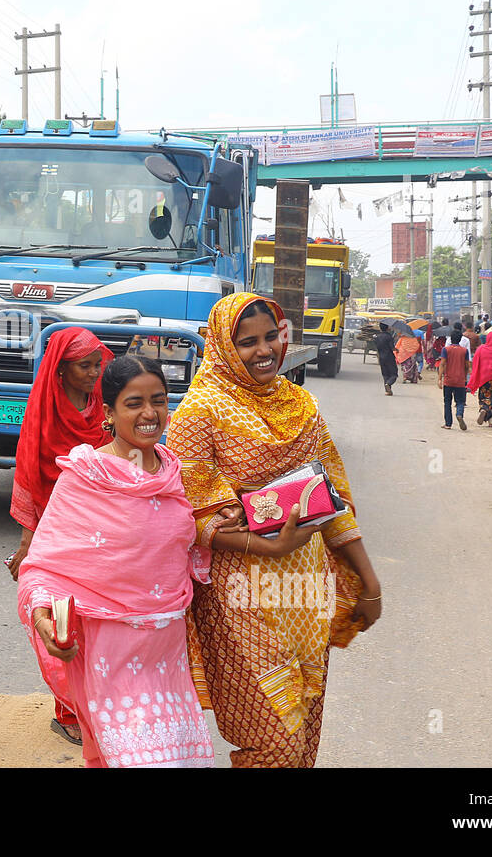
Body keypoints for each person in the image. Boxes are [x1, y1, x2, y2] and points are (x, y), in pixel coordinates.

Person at [166, 293, 382, 767]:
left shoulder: (301, 403)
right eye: (248, 342)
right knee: (274, 745)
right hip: (238, 594)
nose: (264, 351)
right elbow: (189, 517)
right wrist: (268, 544)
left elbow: (332, 499)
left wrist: (369, 582)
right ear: (224, 347)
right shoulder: (200, 412)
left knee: (303, 739)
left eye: (271, 337)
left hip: (306, 589)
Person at [18, 356, 214, 768]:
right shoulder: (87, 476)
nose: (149, 413)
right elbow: (45, 565)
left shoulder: (174, 471)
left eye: (158, 400)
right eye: (134, 403)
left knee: (171, 757)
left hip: (167, 647)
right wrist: (43, 618)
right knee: (141, 759)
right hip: (111, 649)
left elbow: (185, 545)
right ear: (108, 412)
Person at [7, 326, 113, 746]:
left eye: (97, 365)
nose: (93, 373)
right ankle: (67, 709)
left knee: (95, 617)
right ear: (62, 370)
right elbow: (29, 472)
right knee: (59, 616)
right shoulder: (45, 411)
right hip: (54, 529)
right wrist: (27, 541)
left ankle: (90, 702)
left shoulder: (102, 405)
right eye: (84, 366)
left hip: (97, 526)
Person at [441, 323, 471, 430]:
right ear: (460, 339)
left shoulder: (446, 350)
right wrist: (466, 376)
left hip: (448, 379)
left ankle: (448, 424)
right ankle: (459, 414)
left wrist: (440, 378)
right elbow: (467, 365)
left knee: (447, 402)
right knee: (460, 401)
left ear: (451, 339)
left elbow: (442, 364)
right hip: (460, 380)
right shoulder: (464, 351)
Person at [373, 322, 397, 395]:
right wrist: (396, 349)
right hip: (389, 357)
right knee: (394, 374)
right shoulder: (389, 336)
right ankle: (388, 383)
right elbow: (392, 348)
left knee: (385, 375)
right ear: (387, 328)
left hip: (381, 357)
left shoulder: (377, 337)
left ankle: (388, 391)